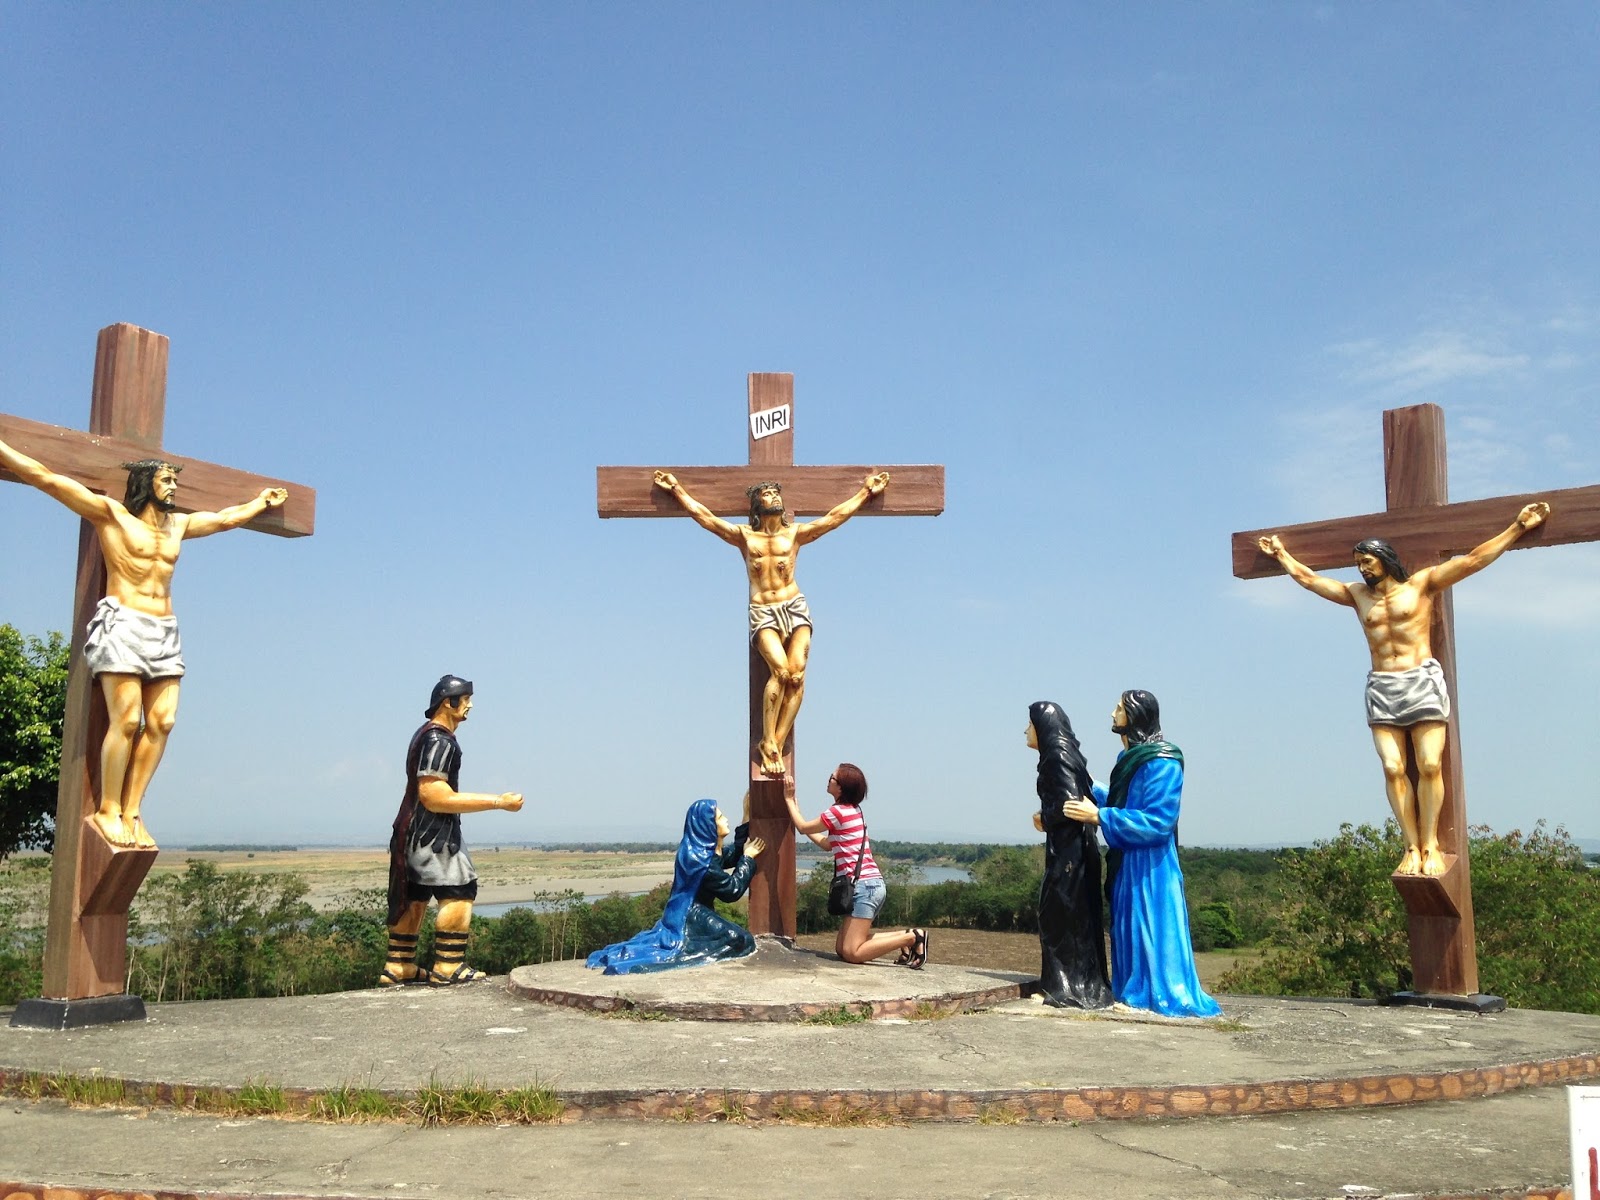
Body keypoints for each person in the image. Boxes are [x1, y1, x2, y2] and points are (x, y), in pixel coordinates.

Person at [0, 437, 288, 848]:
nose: (173, 487)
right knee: (128, 718)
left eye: (174, 479)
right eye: (166, 479)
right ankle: (108, 809)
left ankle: (133, 809)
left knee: (163, 721)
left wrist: (261, 503)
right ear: (144, 481)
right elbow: (46, 478)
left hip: (164, 629)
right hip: (124, 623)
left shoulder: (179, 526)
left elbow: (225, 518)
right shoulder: (112, 516)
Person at [1257, 501, 1549, 876]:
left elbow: (1474, 560)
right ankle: (1410, 846)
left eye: (1367, 561)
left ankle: (1431, 844)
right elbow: (1312, 580)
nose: (1361, 568)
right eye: (1358, 562)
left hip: (1421, 680)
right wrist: (1282, 554)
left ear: (1384, 558)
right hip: (1382, 686)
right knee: (1394, 768)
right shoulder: (1357, 595)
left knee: (1428, 764)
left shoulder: (1422, 584)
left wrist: (1518, 527)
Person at [653, 470, 890, 777]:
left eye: (776, 494)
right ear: (756, 506)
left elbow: (832, 518)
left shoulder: (794, 535)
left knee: (796, 676)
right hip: (763, 610)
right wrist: (676, 490)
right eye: (766, 495)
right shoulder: (744, 537)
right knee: (780, 671)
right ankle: (768, 742)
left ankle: (773, 743)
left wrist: (865, 493)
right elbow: (706, 518)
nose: (774, 497)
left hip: (794, 606)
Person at [1063, 691, 1220, 1018]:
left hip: (1153, 868)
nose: (1112, 713)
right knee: (1129, 928)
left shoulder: (1163, 761)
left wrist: (1099, 816)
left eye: (1119, 708)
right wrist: (1090, 787)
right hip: (1129, 866)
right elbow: (1126, 803)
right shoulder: (1130, 759)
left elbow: (1158, 822)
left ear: (1135, 715)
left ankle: (1161, 993)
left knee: (1152, 929)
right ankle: (1134, 991)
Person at [382, 675, 523, 986]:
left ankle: (399, 964)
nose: (470, 705)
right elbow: (433, 795)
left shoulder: (425, 736)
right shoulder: (439, 740)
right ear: (449, 702)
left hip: (413, 830)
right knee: (459, 889)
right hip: (433, 836)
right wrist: (499, 802)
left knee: (415, 894)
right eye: (466, 699)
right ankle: (448, 965)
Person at [586, 796, 767, 974]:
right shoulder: (698, 860)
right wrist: (748, 858)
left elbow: (733, 855)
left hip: (700, 911)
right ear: (707, 825)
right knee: (741, 940)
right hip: (689, 915)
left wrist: (746, 817)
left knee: (740, 940)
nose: (726, 819)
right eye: (720, 818)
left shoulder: (706, 853)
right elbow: (731, 890)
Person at [786, 762, 925, 967]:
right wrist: (798, 818)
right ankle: (905, 937)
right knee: (842, 949)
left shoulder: (838, 812)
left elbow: (803, 827)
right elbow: (826, 844)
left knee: (852, 952)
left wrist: (789, 800)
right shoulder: (852, 811)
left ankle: (914, 937)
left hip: (865, 887)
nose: (829, 779)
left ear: (842, 787)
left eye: (832, 778)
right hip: (867, 885)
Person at [1026, 702, 1111, 1009]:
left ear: (1043, 729)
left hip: (1069, 852)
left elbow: (1068, 805)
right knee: (1069, 917)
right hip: (1076, 848)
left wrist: (1044, 819)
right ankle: (1074, 985)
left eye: (1030, 725)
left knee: (1058, 916)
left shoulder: (1056, 759)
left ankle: (1067, 988)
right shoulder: (1066, 757)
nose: (1025, 731)